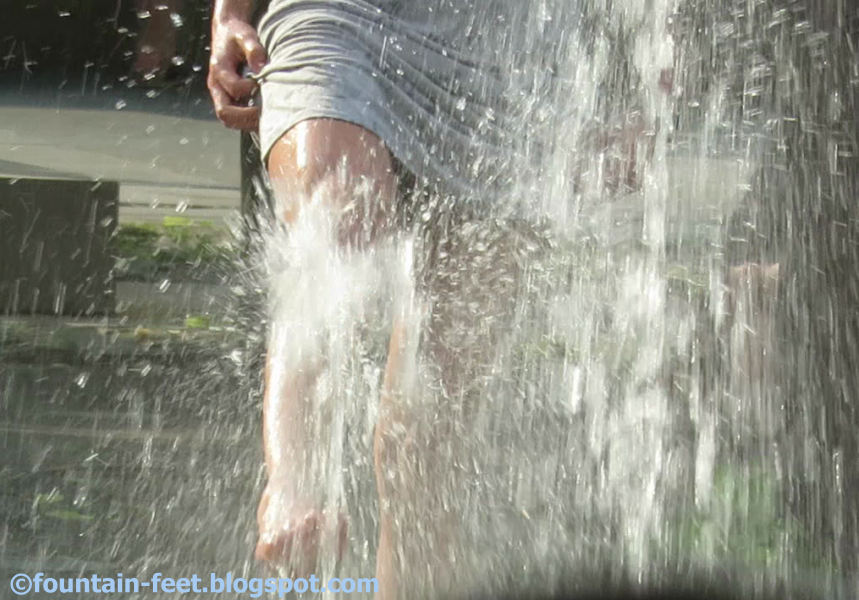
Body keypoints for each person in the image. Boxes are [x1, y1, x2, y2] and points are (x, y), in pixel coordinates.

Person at [207, 1, 666, 597]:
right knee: (340, 212)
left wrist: (649, 94)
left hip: (512, 43)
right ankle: (294, 485)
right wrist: (227, 16)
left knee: (423, 441)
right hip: (340, 15)